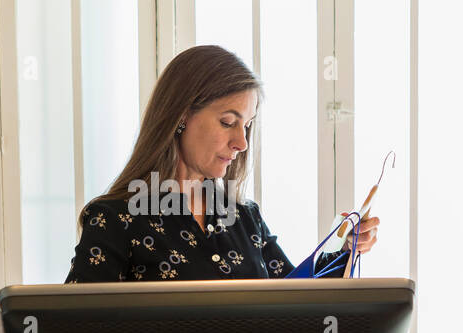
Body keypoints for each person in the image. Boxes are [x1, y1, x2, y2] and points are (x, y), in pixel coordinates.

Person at [65, 44, 379, 283]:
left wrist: (344, 251)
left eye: (247, 125)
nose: (241, 143)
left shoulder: (244, 216)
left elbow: (292, 296)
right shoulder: (115, 219)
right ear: (182, 116)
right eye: (228, 122)